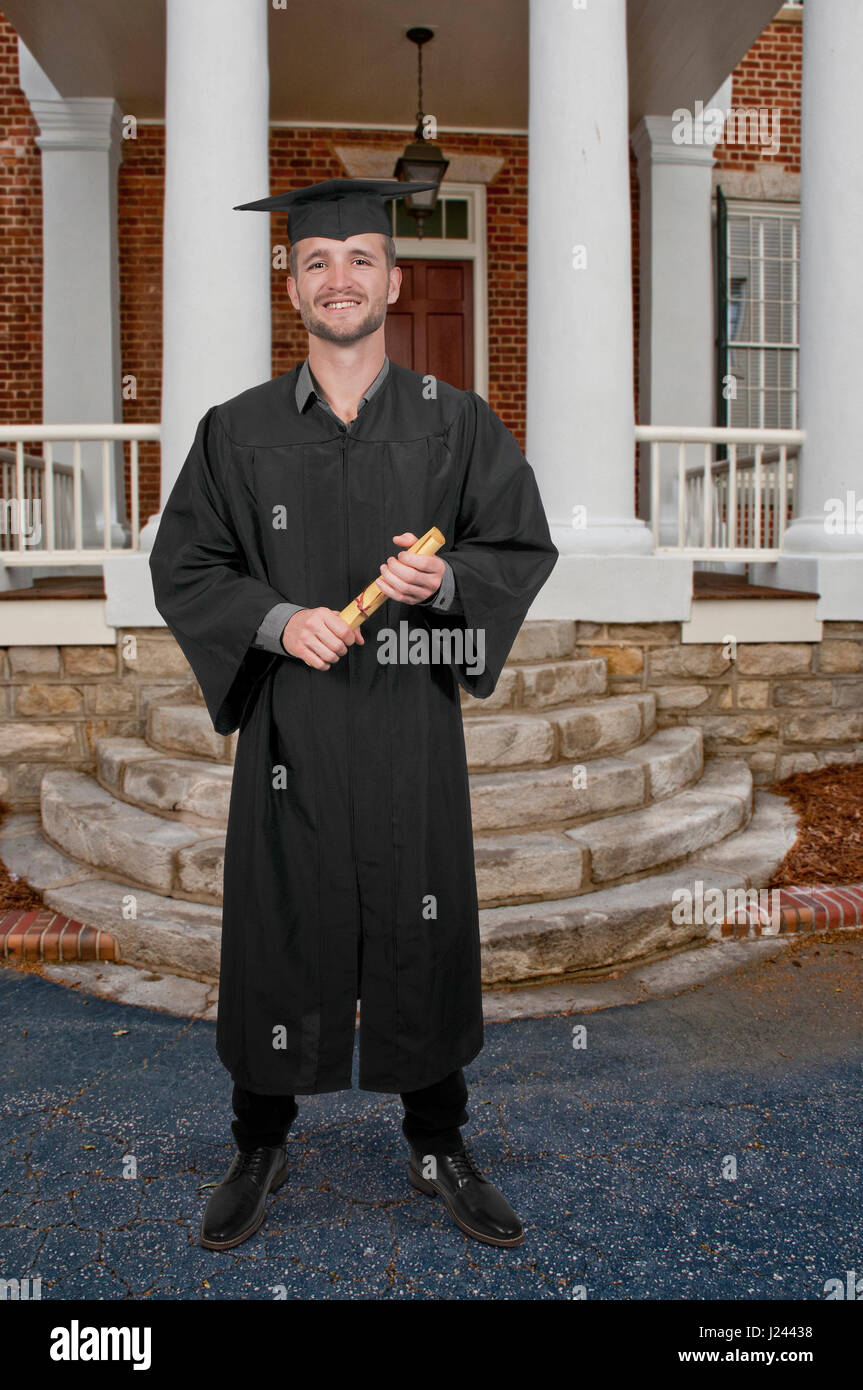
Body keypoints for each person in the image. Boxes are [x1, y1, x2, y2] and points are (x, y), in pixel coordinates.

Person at [148, 177, 558, 1254]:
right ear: (292, 287)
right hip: (293, 730)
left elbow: (514, 547)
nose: (341, 277)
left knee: (421, 919)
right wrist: (279, 621)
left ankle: (438, 1141)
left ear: (394, 277)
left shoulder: (454, 422)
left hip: (408, 721)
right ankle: (259, 1139)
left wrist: (449, 584)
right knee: (279, 922)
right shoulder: (234, 432)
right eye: (318, 262)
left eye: (362, 259)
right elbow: (187, 563)